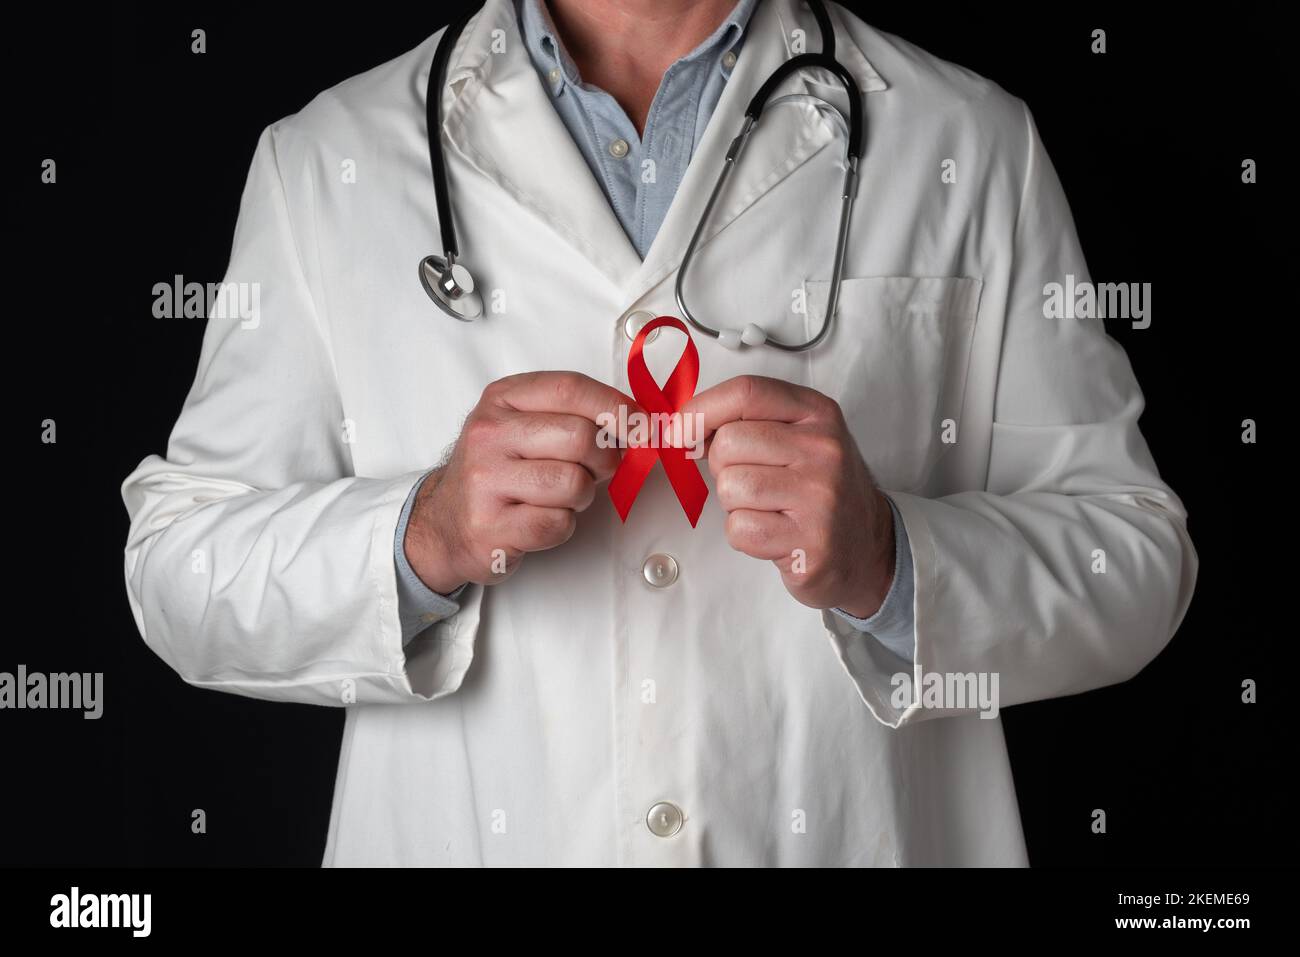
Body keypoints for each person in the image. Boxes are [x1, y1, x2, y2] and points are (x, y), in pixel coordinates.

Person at [121, 0, 1198, 866]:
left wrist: (895, 561)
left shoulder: (964, 140)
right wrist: (422, 539)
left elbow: (1137, 558)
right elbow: (177, 569)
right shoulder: (330, 159)